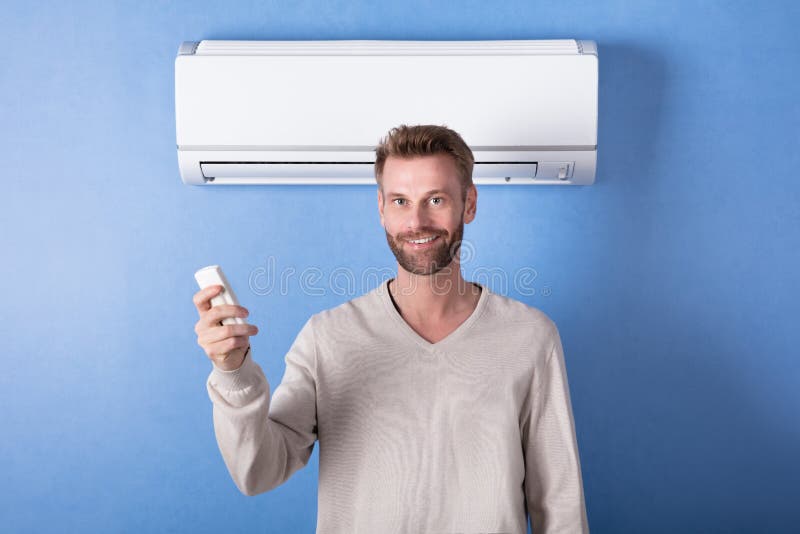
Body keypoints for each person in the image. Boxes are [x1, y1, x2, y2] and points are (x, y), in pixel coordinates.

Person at [192, 124, 589, 533]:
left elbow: (560, 507)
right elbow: (258, 471)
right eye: (401, 201)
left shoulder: (530, 337)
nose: (416, 221)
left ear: (468, 204)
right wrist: (233, 371)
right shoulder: (327, 338)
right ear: (381, 208)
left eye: (435, 199)